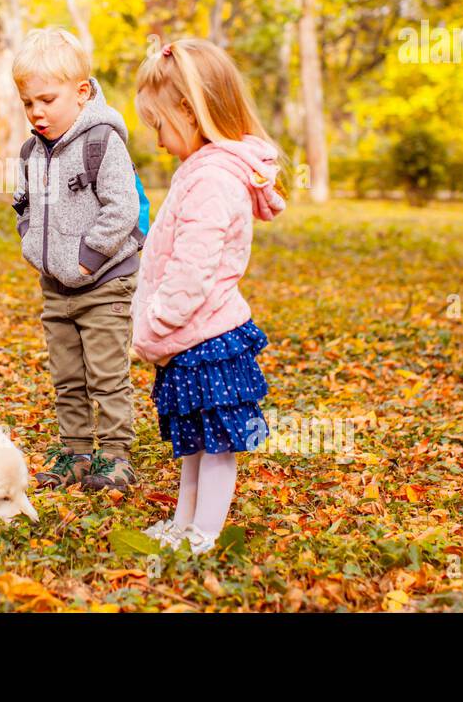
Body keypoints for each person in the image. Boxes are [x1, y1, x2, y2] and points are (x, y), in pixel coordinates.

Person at [131, 37, 285, 554]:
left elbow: (191, 273)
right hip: (189, 339)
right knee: (195, 443)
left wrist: (154, 324)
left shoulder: (213, 179)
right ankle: (183, 524)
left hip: (204, 338)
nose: (157, 141)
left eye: (160, 126)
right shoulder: (200, 171)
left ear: (190, 112)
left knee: (216, 446)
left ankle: (204, 532)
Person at [10, 27, 144, 492]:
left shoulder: (101, 141)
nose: (36, 111)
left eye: (46, 99)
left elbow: (123, 208)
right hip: (56, 287)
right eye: (28, 103)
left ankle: (115, 456)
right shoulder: (31, 151)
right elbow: (23, 204)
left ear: (82, 92)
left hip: (104, 283)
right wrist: (32, 243)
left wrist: (88, 258)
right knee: (67, 375)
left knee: (106, 374)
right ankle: (76, 453)